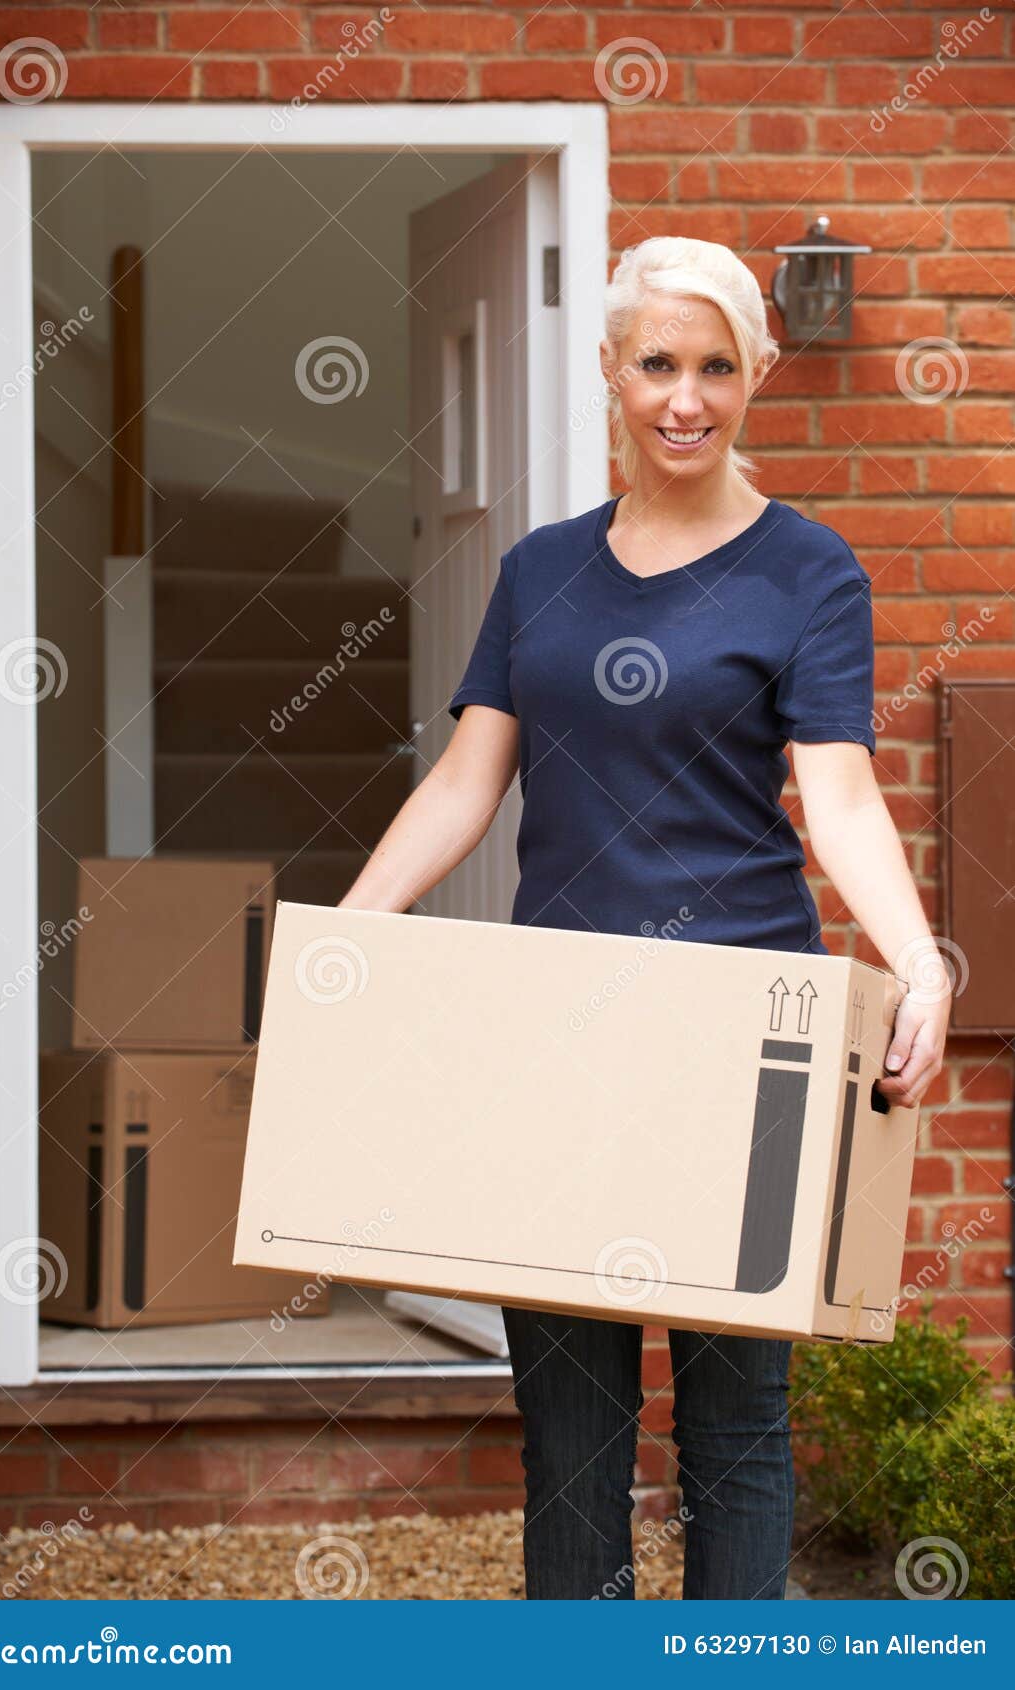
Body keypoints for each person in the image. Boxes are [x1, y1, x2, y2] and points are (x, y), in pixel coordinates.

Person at [338, 235, 951, 1599]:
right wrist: (350, 936)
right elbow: (467, 781)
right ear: (611, 371)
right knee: (569, 1437)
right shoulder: (542, 572)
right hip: (554, 1032)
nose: (687, 397)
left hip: (752, 1039)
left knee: (735, 1425)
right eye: (659, 364)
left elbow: (839, 800)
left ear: (758, 375)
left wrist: (920, 962)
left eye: (717, 367)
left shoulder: (809, 571)